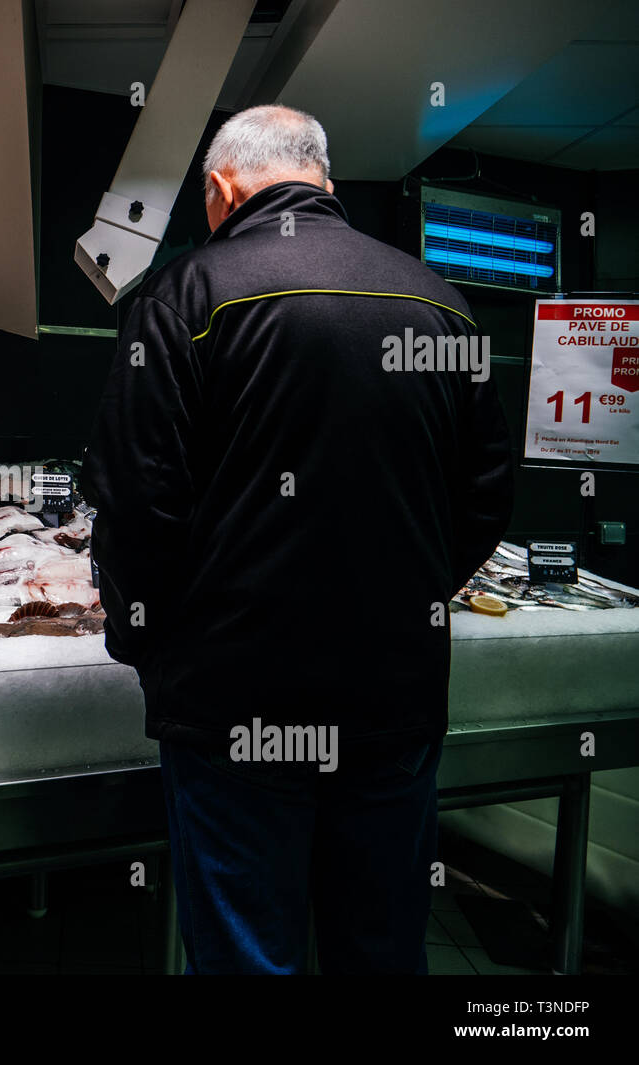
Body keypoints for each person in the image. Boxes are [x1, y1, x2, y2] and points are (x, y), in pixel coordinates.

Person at [82, 105, 514, 974]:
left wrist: (150, 649)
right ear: (322, 175)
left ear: (221, 188)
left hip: (237, 710)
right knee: (384, 950)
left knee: (249, 957)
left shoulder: (183, 297)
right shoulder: (444, 306)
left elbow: (136, 506)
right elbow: (487, 500)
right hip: (396, 705)